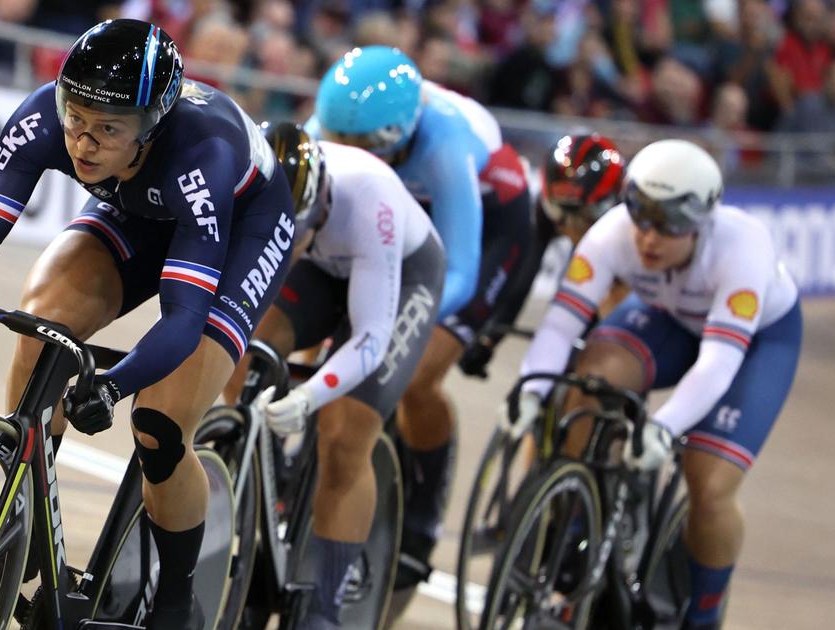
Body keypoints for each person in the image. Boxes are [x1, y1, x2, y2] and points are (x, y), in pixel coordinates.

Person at [0, 19, 295, 629]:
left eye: (108, 129)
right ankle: (20, 525)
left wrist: (113, 384)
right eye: (76, 117)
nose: (83, 141)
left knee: (158, 422)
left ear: (151, 125)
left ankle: (178, 599)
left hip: (238, 230)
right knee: (42, 321)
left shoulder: (202, 154)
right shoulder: (46, 117)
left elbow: (182, 321)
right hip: (137, 207)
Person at [508, 139, 802, 630]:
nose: (649, 238)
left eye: (669, 226)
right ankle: (579, 527)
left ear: (703, 221)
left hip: (754, 346)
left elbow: (716, 364)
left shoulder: (743, 249)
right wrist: (530, 392)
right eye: (642, 216)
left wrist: (663, 427)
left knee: (708, 484)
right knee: (589, 382)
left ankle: (702, 616)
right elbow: (560, 325)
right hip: (668, 317)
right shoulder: (610, 235)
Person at [309, 45, 535, 597]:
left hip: (482, 224)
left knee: (413, 372)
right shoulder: (329, 125)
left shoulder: (444, 143)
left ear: (398, 134)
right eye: (343, 145)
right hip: (394, 211)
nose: (352, 154)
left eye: (367, 148)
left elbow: (456, 269)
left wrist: (391, 316)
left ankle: (423, 518)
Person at [225, 122, 446, 630]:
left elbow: (369, 342)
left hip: (402, 273)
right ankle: (271, 479)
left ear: (320, 198)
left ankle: (325, 606)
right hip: (323, 267)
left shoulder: (370, 200)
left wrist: (307, 398)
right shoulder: (258, 181)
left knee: (344, 434)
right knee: (239, 351)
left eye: (295, 226)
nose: (289, 238)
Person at [458, 133, 630, 380]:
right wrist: (489, 338)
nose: (570, 226)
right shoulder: (545, 209)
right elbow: (522, 277)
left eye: (583, 216)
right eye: (561, 213)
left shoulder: (625, 220)